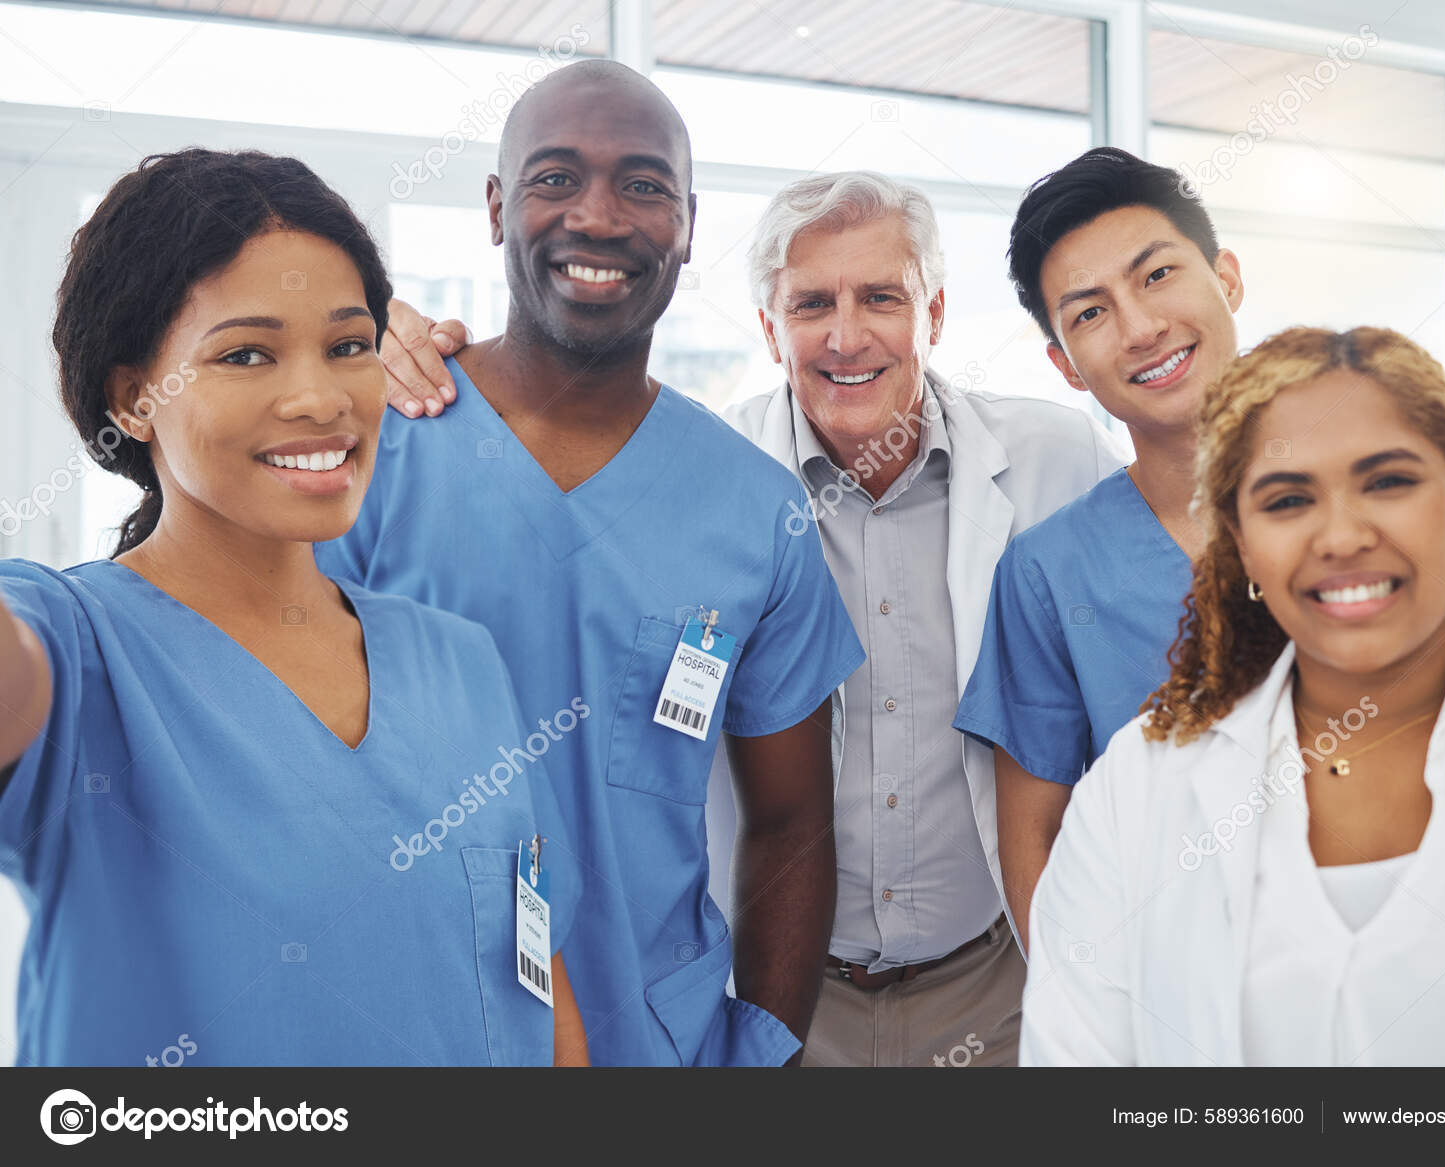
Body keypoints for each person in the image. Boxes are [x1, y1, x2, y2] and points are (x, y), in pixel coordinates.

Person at [381, 170, 1126, 1066]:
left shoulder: (1061, 459)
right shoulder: (705, 479)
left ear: (933, 313)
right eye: (811, 304)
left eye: (881, 297)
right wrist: (377, 353)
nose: (846, 336)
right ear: (770, 330)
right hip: (781, 987)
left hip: (998, 987)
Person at [314, 61, 863, 1066]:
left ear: (688, 225)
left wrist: (761, 1053)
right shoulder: (367, 452)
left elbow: (792, 823)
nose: (599, 217)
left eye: (643, 185)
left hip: (658, 1042)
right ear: (496, 208)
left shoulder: (758, 512)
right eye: (556, 178)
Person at [0, 148, 585, 1066]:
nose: (319, 398)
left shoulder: (460, 660)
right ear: (133, 399)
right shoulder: (78, 651)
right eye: (246, 354)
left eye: (348, 346)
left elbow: (538, 981)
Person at [1022, 326, 1445, 1066]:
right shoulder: (1131, 793)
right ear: (1242, 543)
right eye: (1289, 499)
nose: (1342, 537)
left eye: (1387, 482)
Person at [953, 147, 1244, 950]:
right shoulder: (1050, 574)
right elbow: (1037, 848)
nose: (1141, 329)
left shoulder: (1371, 487)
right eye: (1089, 313)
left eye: (1158, 275)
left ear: (1227, 277)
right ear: (1066, 366)